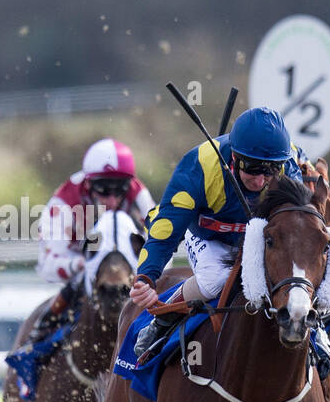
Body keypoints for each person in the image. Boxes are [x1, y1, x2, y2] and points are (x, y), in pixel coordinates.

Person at [130, 107, 310, 356]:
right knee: (216, 278)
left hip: (262, 235)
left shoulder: (288, 165)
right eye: (252, 168)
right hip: (207, 234)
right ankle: (163, 321)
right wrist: (146, 278)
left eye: (269, 170)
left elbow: (302, 229)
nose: (259, 181)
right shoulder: (199, 168)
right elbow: (166, 231)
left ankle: (318, 331)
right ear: (234, 158)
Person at [27, 138, 154, 342]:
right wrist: (81, 264)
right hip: (80, 266)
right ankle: (38, 337)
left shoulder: (138, 194)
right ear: (88, 184)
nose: (112, 201)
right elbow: (47, 266)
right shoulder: (64, 203)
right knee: (78, 281)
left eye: (120, 189)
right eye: (103, 190)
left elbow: (161, 242)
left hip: (128, 269)